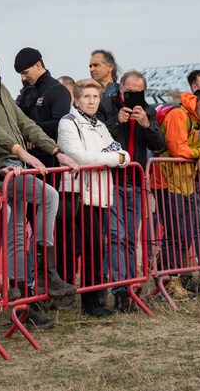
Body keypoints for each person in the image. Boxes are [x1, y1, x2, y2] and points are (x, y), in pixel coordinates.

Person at [0, 53, 78, 327]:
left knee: (17, 238)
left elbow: (26, 124)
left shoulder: (3, 93)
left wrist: (56, 152)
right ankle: (45, 270)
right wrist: (22, 151)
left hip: (15, 165)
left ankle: (22, 305)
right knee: (49, 195)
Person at [57, 79, 131, 318]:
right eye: (87, 97)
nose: (92, 101)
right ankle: (74, 298)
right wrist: (111, 158)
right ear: (77, 100)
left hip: (98, 194)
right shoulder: (68, 123)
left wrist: (114, 157)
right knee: (77, 248)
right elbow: (78, 156)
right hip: (77, 193)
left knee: (96, 248)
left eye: (95, 97)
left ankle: (93, 299)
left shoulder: (99, 125)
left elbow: (122, 152)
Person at [147, 88, 200, 301]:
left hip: (185, 183)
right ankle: (168, 282)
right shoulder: (178, 115)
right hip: (165, 182)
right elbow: (178, 149)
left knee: (184, 233)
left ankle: (171, 280)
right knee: (177, 234)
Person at [99, 70, 164, 311]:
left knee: (128, 239)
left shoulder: (148, 110)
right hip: (112, 181)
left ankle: (129, 286)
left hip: (136, 183)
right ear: (120, 89)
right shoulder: (106, 106)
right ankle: (121, 291)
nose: (134, 97)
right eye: (129, 92)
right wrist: (118, 121)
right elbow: (99, 139)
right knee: (116, 236)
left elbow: (159, 143)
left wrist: (147, 125)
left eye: (139, 92)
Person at [14, 48, 72, 166]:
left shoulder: (58, 90)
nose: (23, 78)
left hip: (51, 160)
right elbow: (17, 120)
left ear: (38, 65)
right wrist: (28, 135)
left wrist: (32, 133)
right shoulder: (28, 92)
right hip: (29, 159)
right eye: (21, 74)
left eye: (25, 72)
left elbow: (59, 125)